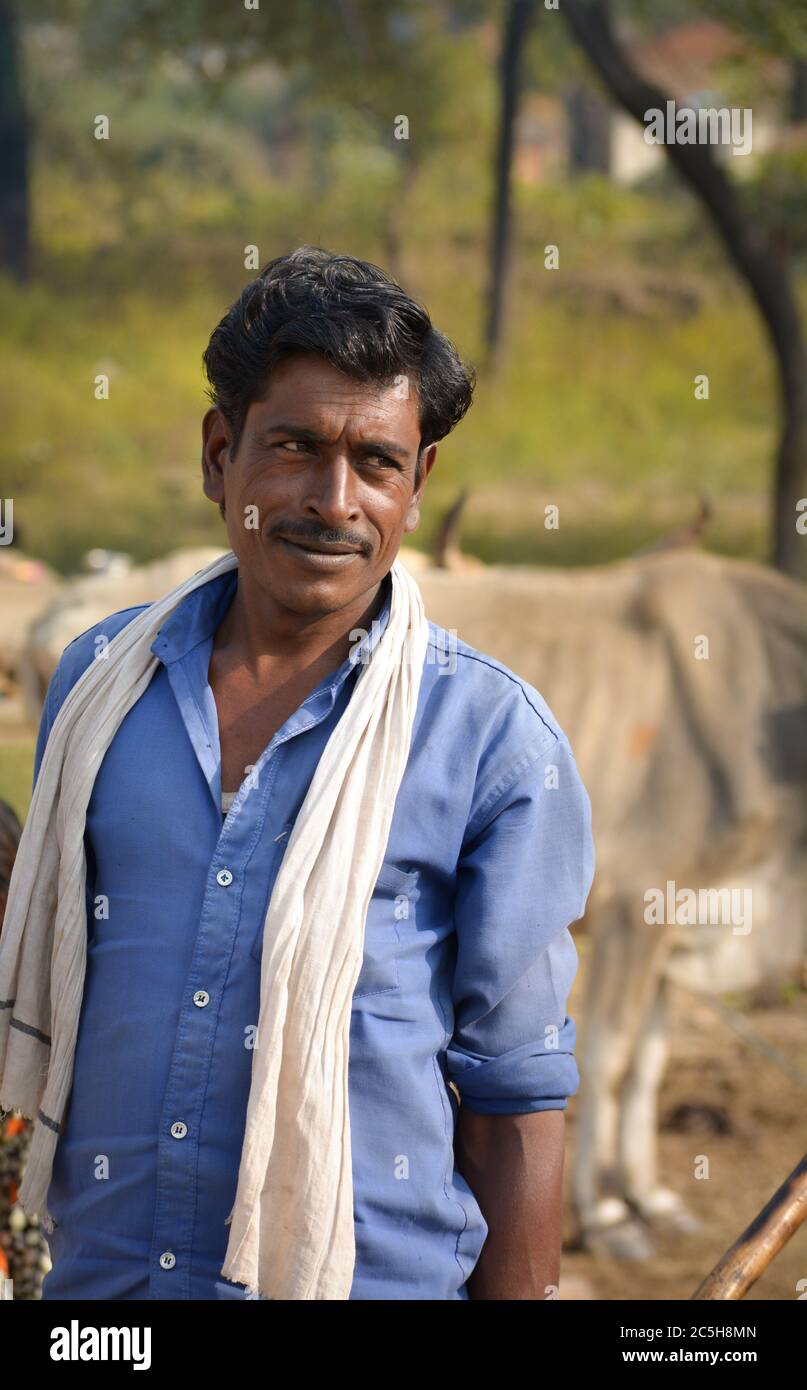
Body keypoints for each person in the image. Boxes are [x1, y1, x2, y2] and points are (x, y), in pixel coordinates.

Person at [26, 246, 594, 1300]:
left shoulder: (489, 738)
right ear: (218, 455)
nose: (334, 500)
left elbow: (514, 1090)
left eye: (376, 460)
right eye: (293, 446)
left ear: (417, 484)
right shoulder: (102, 687)